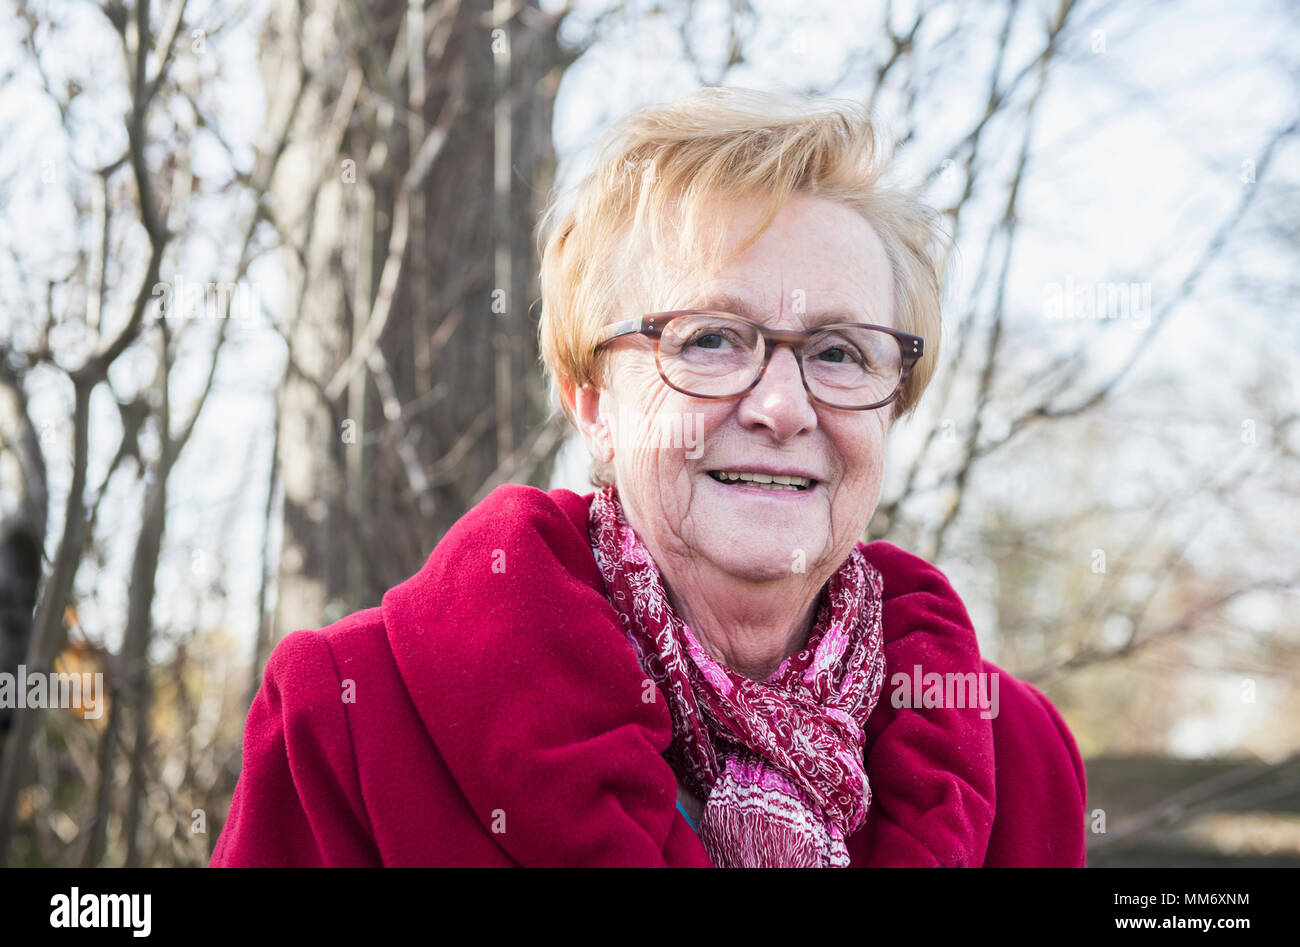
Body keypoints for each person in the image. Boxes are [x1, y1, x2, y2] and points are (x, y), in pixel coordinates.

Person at [210, 87, 1086, 867]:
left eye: (839, 351)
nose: (782, 407)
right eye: (709, 338)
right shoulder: (351, 723)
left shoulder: (1021, 758)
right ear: (591, 399)